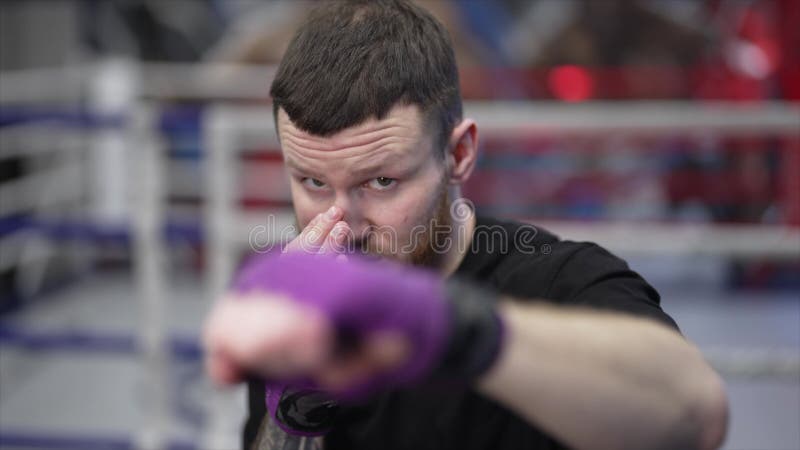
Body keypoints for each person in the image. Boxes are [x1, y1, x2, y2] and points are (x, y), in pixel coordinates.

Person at [202, 1, 729, 449]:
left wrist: (448, 326)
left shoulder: (557, 280)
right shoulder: (305, 297)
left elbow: (697, 414)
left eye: (381, 182)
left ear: (458, 154)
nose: (344, 224)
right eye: (313, 182)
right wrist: (294, 421)